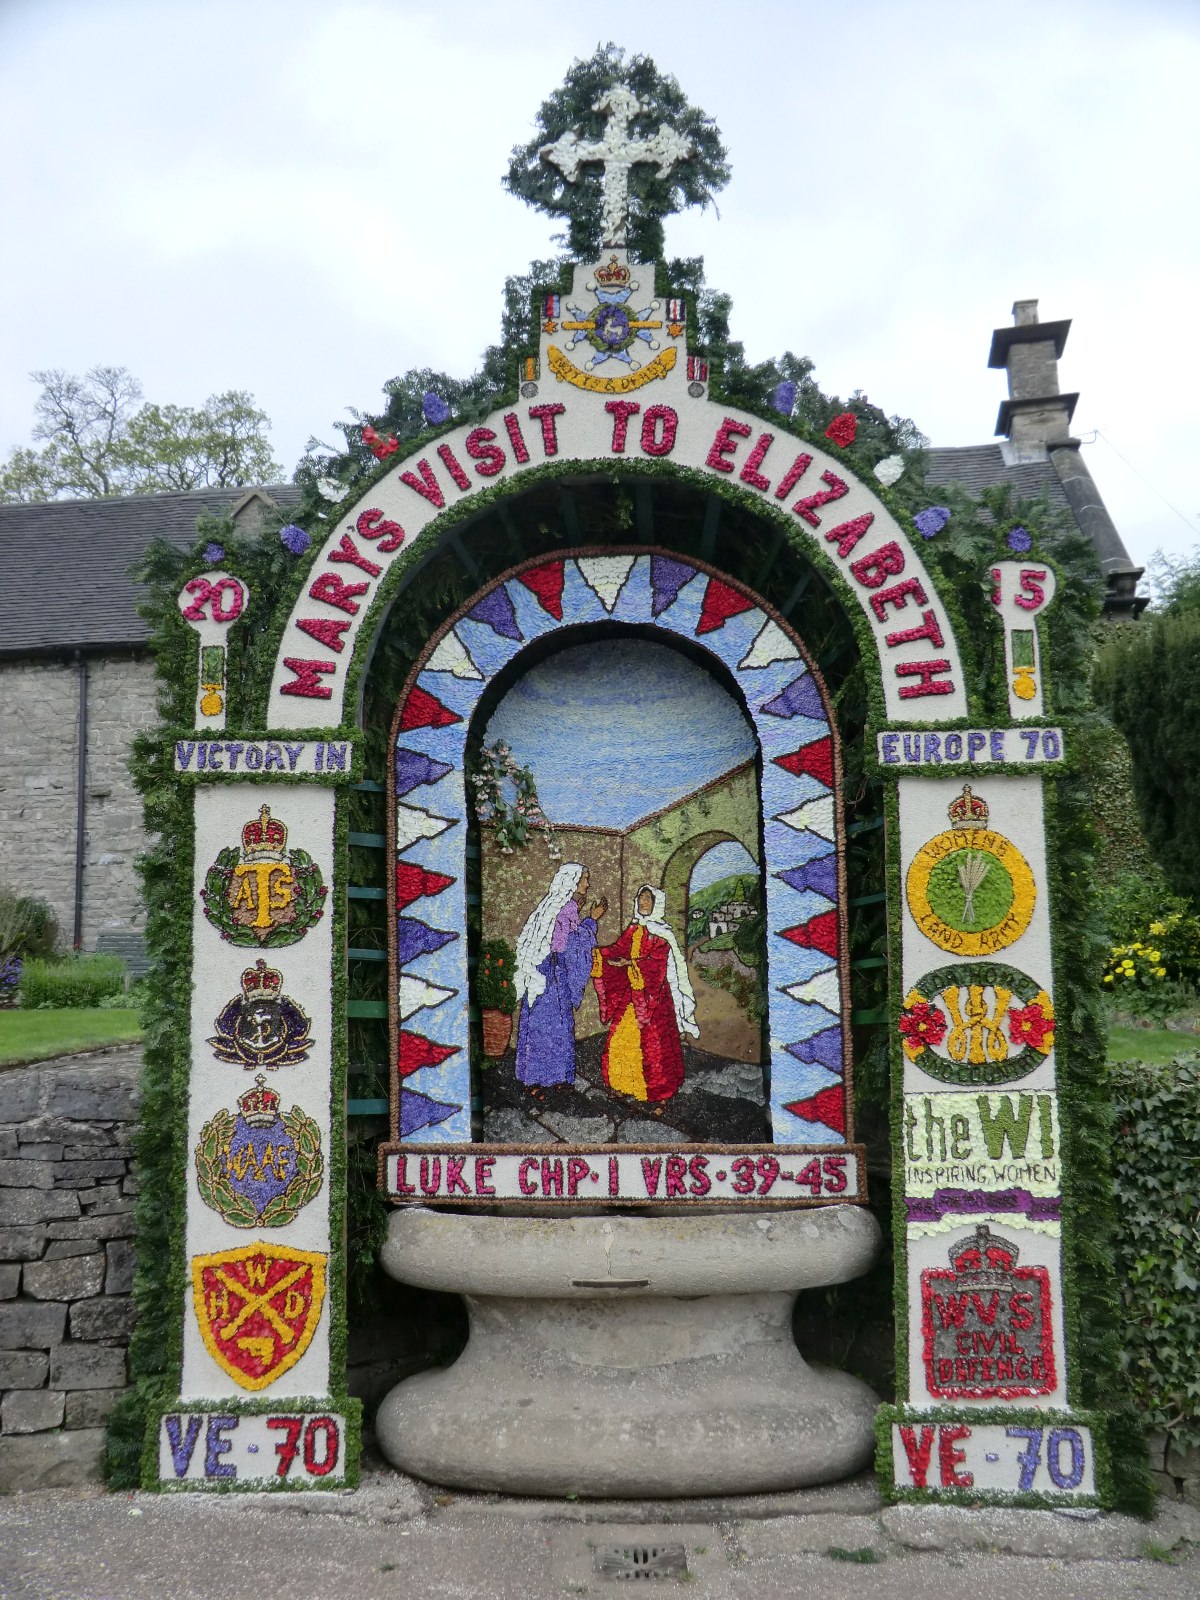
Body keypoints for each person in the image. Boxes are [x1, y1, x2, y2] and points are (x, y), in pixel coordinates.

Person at [591, 885, 699, 1105]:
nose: (643, 902)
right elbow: (618, 949)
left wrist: (630, 963)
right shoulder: (634, 929)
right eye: (641, 898)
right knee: (620, 1040)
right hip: (633, 995)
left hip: (654, 998)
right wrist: (599, 953)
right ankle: (622, 1084)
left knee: (656, 1048)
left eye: (648, 899)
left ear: (656, 903)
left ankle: (661, 1096)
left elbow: (656, 962)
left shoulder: (662, 933)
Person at [513, 863, 607, 1095]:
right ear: (572, 882)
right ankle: (535, 1082)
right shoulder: (563, 910)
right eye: (584, 879)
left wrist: (577, 910)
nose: (588, 883)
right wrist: (592, 921)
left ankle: (555, 1078)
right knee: (546, 1028)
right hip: (549, 976)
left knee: (559, 1026)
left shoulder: (558, 906)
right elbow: (570, 945)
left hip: (552, 975)